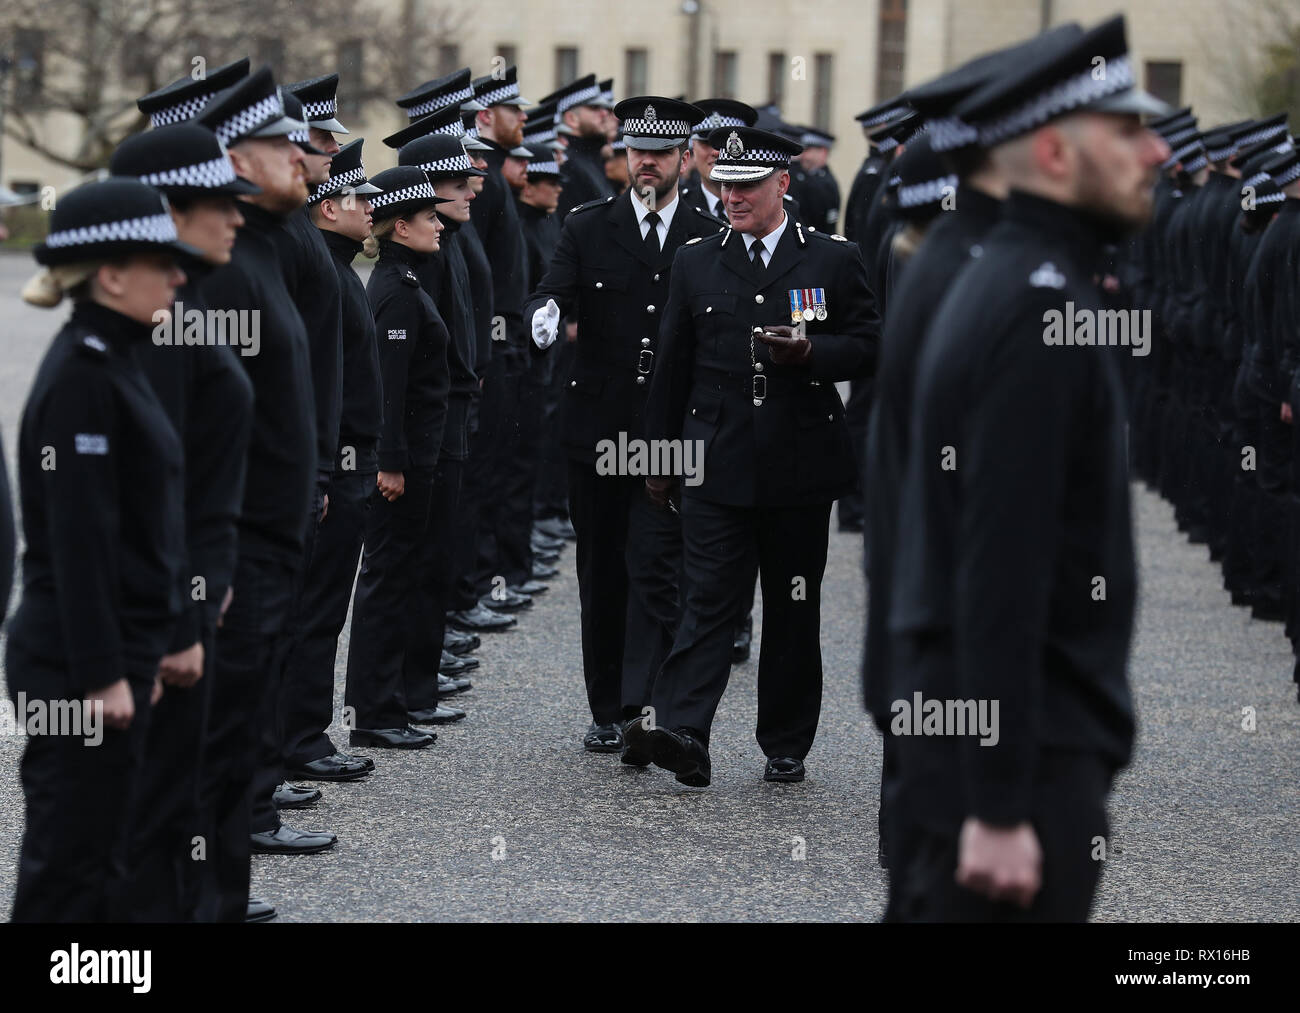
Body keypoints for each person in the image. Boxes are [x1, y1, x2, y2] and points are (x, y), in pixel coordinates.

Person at [887, 14, 1169, 921]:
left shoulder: (1021, 279)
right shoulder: (1036, 308)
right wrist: (1002, 804)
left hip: (1005, 743)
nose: (1156, 150)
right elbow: (1000, 571)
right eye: (1127, 132)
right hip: (1024, 757)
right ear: (1053, 152)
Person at [629, 125, 881, 786]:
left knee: (793, 603)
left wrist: (813, 356)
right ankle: (686, 731)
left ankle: (786, 739)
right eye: (724, 186)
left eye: (746, 187)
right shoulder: (696, 259)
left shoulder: (831, 258)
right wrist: (657, 455)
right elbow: (671, 366)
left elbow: (869, 345)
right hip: (717, 454)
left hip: (800, 460)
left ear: (783, 186)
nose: (732, 198)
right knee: (709, 596)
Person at [8, 177, 192, 921]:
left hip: (108, 652)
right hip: (72, 665)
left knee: (106, 853)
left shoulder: (116, 356)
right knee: (69, 865)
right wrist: (103, 675)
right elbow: (79, 541)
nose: (180, 276)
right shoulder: (84, 376)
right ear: (112, 274)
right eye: (162, 262)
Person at [527, 97, 720, 756]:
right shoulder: (588, 225)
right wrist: (545, 314)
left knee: (659, 566)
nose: (646, 164)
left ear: (683, 159)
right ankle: (606, 704)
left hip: (667, 429)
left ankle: (648, 701)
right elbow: (553, 287)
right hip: (599, 424)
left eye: (660, 155)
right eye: (637, 152)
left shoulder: (704, 227)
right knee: (602, 567)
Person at [108, 120, 258, 921]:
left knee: (176, 812)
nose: (236, 216)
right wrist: (179, 620)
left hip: (199, 599)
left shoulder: (189, 298)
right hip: (165, 621)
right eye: (218, 202)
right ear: (167, 211)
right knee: (142, 832)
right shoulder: (163, 320)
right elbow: (152, 492)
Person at [193, 67, 333, 921]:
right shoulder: (223, 266)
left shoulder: (261, 251)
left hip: (267, 546)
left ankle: (220, 901)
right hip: (237, 555)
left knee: (233, 737)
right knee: (211, 752)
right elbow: (197, 431)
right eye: (285, 143)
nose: (303, 155)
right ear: (238, 160)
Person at [284, 137, 389, 775]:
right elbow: (314, 382)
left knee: (322, 610)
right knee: (313, 610)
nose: (370, 209)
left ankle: (302, 736)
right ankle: (296, 740)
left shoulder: (338, 268)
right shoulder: (322, 270)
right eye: (360, 199)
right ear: (327, 207)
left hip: (346, 461)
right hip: (336, 463)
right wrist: (325, 471)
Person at [342, 166, 453, 749]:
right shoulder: (394, 292)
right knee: (385, 579)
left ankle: (385, 705)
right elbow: (387, 386)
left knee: (399, 575)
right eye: (430, 217)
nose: (439, 224)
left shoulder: (407, 280)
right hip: (400, 466)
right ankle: (373, 713)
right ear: (401, 227)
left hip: (416, 458)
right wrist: (389, 462)